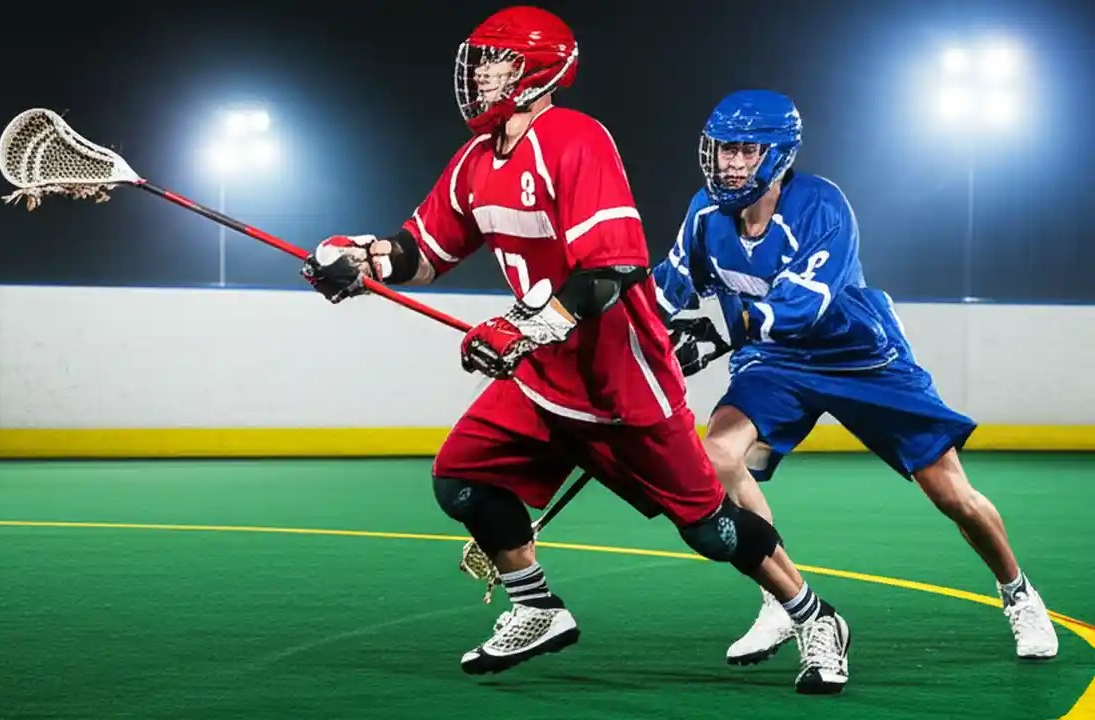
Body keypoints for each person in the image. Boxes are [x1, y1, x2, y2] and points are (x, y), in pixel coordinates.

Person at [300, 6, 851, 694]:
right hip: (541, 379)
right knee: (461, 479)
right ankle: (536, 607)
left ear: (536, 72)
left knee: (711, 530)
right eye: (479, 61)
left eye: (494, 61)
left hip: (622, 381)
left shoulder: (574, 138)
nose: (479, 75)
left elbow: (613, 269)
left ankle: (814, 614)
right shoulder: (476, 161)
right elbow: (424, 252)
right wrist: (365, 261)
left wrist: (526, 326)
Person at [653, 89, 1059, 667]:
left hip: (861, 358)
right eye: (723, 151)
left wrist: (716, 331)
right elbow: (664, 290)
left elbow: (804, 303)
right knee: (718, 456)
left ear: (778, 155)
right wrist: (607, 324)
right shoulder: (704, 213)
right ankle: (779, 596)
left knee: (951, 493)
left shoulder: (822, 206)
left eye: (746, 151)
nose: (731, 164)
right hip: (776, 362)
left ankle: (1018, 594)